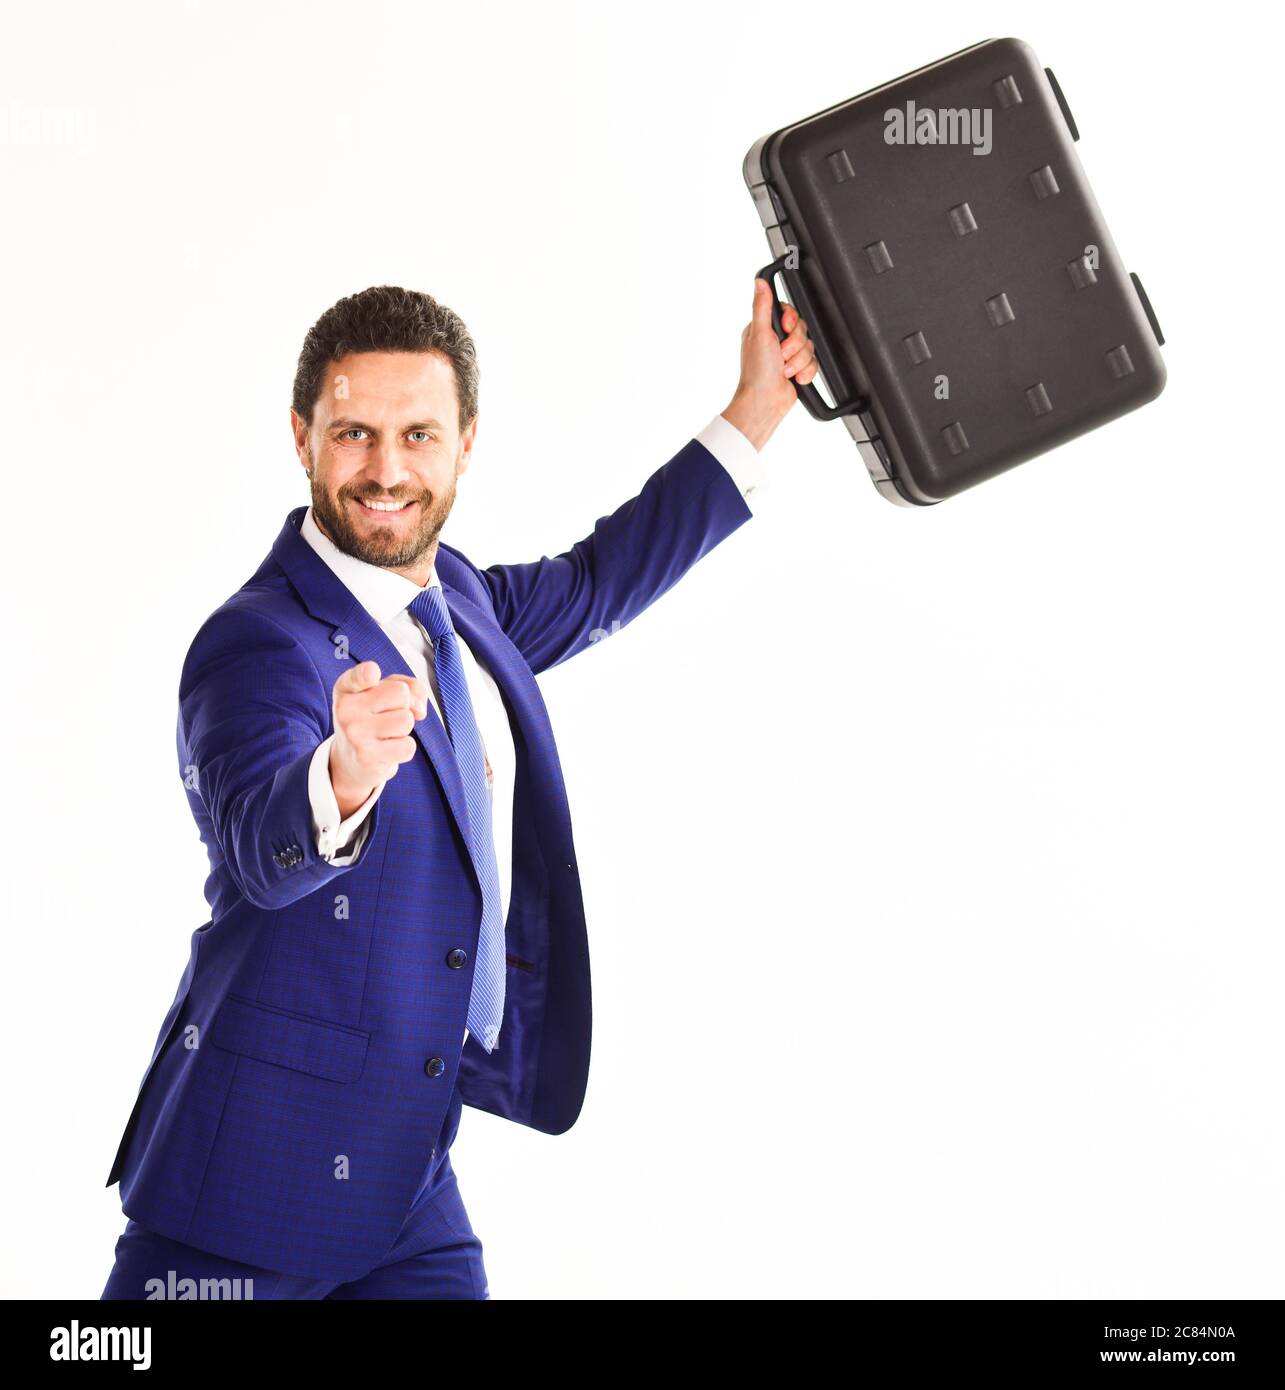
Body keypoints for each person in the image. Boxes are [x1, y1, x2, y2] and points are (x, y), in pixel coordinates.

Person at [101, 279, 816, 1299]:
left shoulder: (459, 602)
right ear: (302, 435)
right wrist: (340, 776)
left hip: (406, 1178)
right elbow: (258, 840)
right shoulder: (259, 641)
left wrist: (758, 407)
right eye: (353, 433)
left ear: (465, 443)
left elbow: (603, 577)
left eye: (418, 436)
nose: (386, 471)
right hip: (249, 1181)